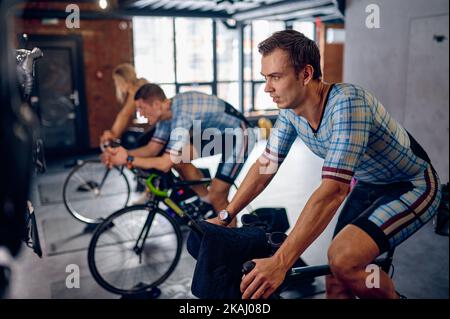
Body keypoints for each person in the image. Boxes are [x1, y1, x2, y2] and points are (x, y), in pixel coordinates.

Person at [208, 30, 442, 299]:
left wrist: (281, 262)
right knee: (335, 279)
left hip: (412, 184)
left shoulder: (348, 103)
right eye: (265, 78)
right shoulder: (290, 113)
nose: (267, 87)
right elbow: (266, 165)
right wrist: (226, 215)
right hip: (369, 183)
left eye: (275, 77)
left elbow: (333, 190)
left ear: (306, 74)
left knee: (344, 260)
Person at [104, 84, 256, 217]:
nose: (140, 114)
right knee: (179, 160)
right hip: (219, 134)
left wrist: (128, 159)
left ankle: (233, 242)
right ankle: (206, 201)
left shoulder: (181, 113)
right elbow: (151, 149)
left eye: (141, 108)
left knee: (218, 196)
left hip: (241, 135)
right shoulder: (165, 114)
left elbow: (165, 163)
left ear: (157, 104)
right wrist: (120, 153)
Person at [100, 63, 148, 144]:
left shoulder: (135, 90)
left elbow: (124, 115)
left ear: (122, 81)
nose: (116, 84)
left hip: (160, 130)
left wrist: (112, 134)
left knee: (128, 137)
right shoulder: (134, 89)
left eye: (116, 81)